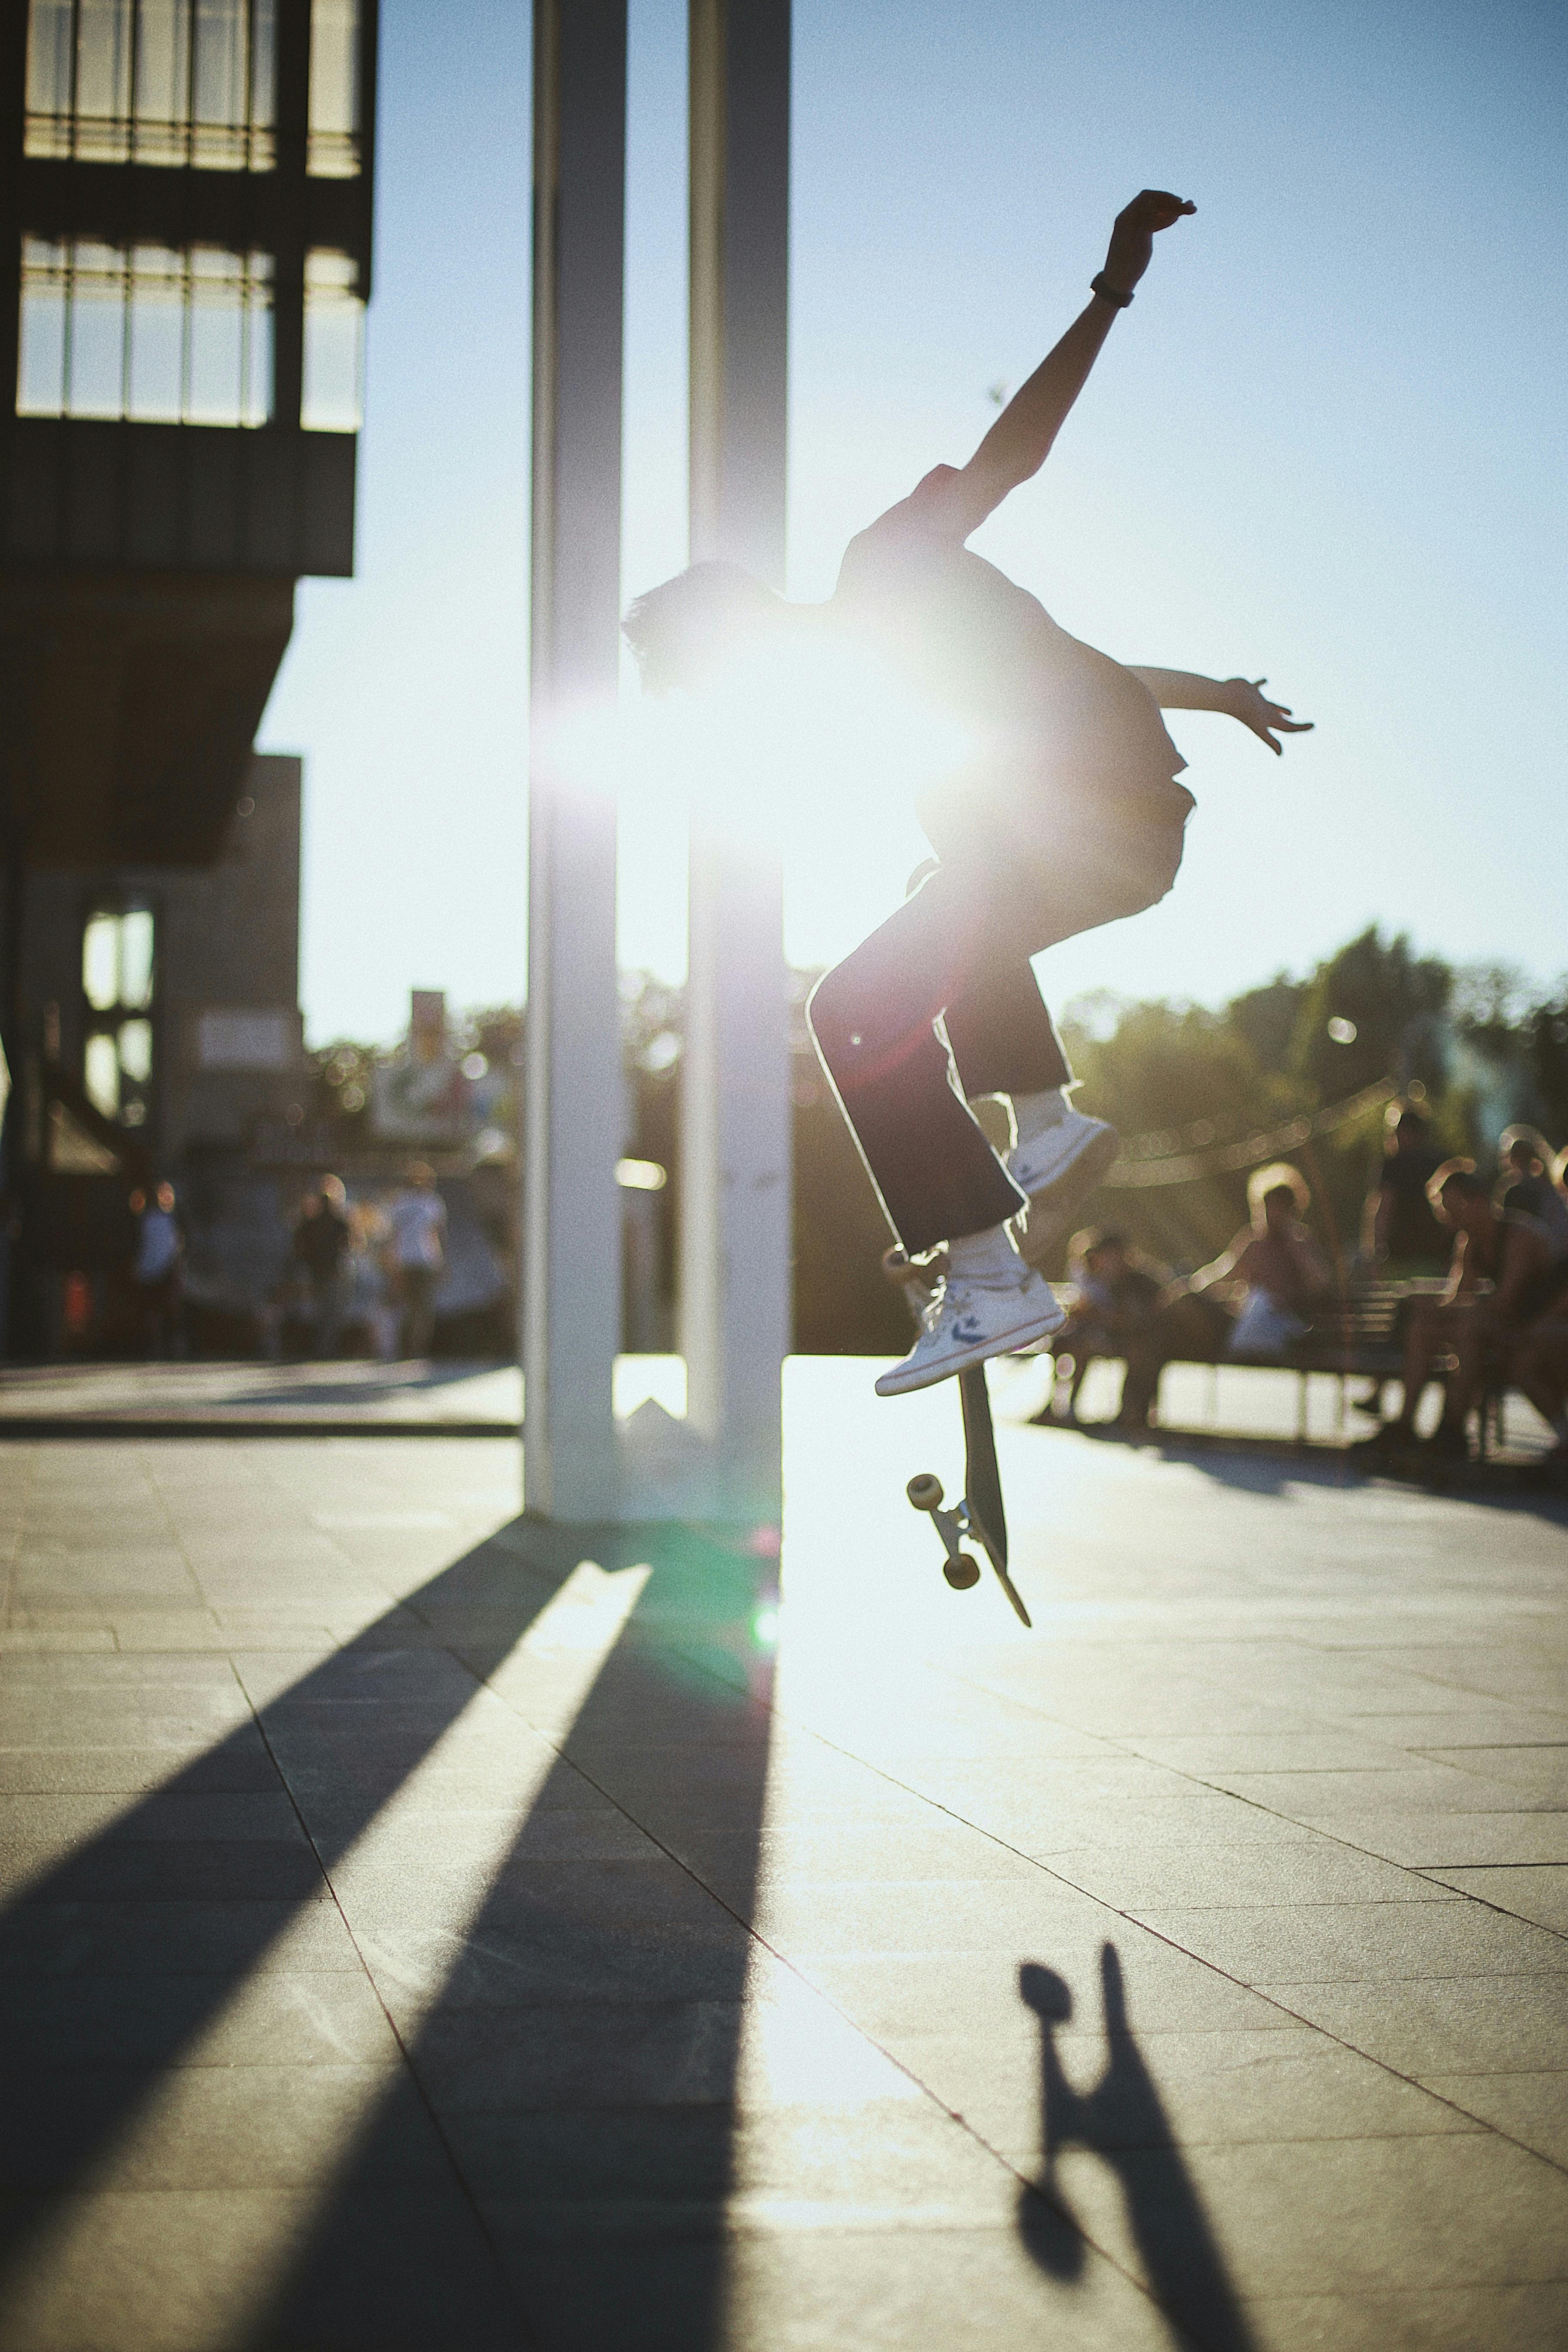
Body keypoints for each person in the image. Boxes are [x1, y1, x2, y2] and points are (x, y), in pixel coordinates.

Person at [624, 190, 1311, 1396]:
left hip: (1089, 825)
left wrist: (1112, 288)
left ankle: (998, 1255)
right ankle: (1036, 1138)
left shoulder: (879, 569)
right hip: (1118, 830)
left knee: (851, 1006)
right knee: (925, 891)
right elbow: (1084, 676)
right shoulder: (855, 693)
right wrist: (1216, 692)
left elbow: (1012, 456)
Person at [1363, 1160, 1568, 1465]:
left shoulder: (1520, 1236)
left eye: (1452, 1208)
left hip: (1546, 1327)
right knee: (1425, 1328)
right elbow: (1459, 1299)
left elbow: (1505, 1304)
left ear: (1477, 1201)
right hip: (1513, 1328)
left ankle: (1452, 1429)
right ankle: (1406, 1424)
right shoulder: (1470, 1242)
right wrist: (1426, 1306)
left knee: (1471, 1327)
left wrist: (1447, 1311)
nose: (1448, 1218)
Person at [1118, 1165, 1334, 1430]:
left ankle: (1133, 1407)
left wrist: (1293, 1243)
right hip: (1239, 1327)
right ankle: (1133, 1409)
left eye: (1278, 1208)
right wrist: (1187, 1288)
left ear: (1291, 1210)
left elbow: (1321, 1283)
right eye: (1266, 1207)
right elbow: (1221, 1274)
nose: (1270, 1214)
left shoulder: (1301, 1242)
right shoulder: (1254, 1242)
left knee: (1166, 1316)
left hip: (1278, 1329)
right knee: (1167, 1322)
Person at [1037, 1226, 1165, 1424]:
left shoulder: (1134, 1280)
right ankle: (1054, 1404)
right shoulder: (1091, 1274)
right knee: (1062, 1341)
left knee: (1083, 1346)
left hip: (1132, 1338)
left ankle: (1071, 1406)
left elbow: (1131, 1320)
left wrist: (1098, 1315)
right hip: (1100, 1332)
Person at [1362, 1103, 1447, 1275]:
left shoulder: (1394, 1165)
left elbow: (1384, 1210)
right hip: (1437, 1255)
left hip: (1399, 1256)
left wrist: (1374, 1255)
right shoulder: (1439, 1162)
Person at [388, 1162, 447, 1357]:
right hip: (417, 1260)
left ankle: (415, 1348)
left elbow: (435, 1235)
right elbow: (436, 1235)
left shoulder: (406, 1203)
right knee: (415, 1307)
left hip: (417, 1259)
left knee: (420, 1307)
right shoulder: (426, 1203)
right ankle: (410, 1348)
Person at [292, 1175, 352, 1357]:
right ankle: (326, 1349)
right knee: (331, 1312)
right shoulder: (338, 1221)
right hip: (332, 1271)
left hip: (317, 1271)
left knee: (321, 1312)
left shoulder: (310, 1222)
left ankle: (323, 1348)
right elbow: (348, 1244)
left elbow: (300, 1246)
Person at [128, 1180, 184, 1357]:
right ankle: (156, 1346)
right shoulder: (147, 1220)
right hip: (150, 1270)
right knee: (153, 1311)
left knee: (169, 1309)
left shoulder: (173, 1219)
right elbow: (140, 1245)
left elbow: (179, 1244)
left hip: (166, 1270)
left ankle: (173, 1345)